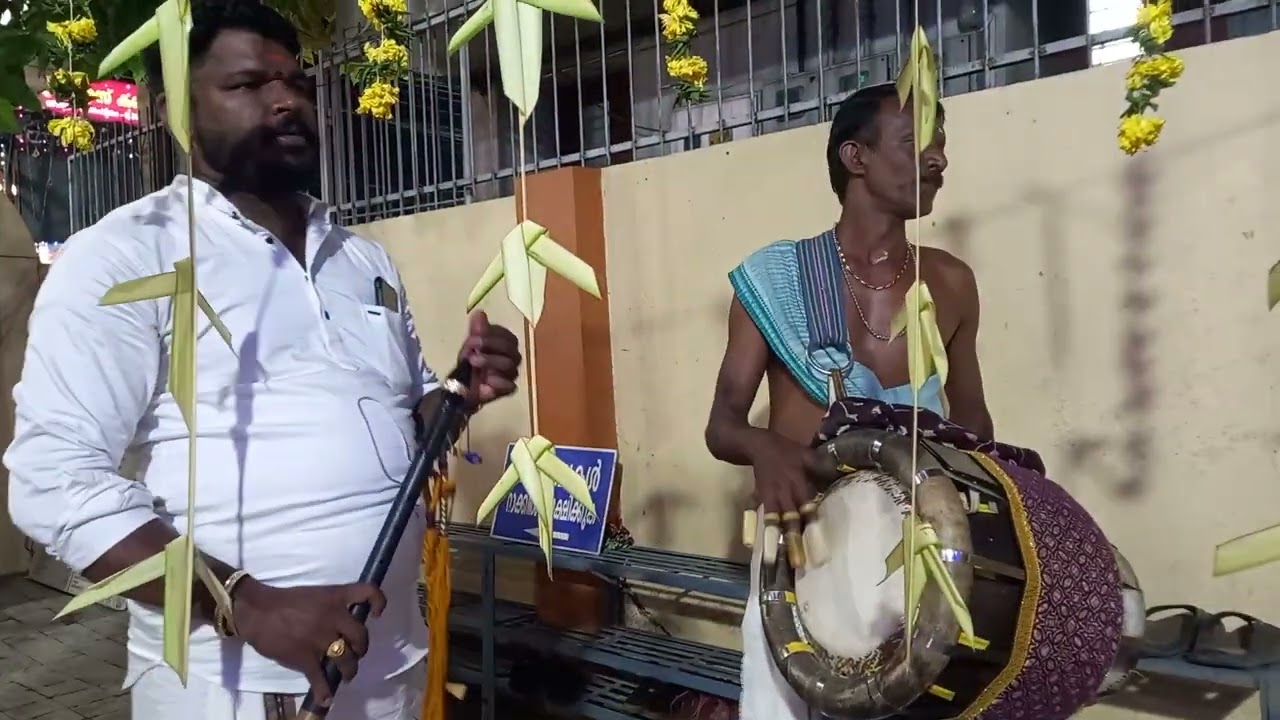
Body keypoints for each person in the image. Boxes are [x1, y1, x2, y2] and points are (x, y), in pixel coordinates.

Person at [3, 2, 522, 719]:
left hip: (391, 663)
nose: (284, 100)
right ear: (171, 110)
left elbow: (403, 420)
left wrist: (459, 393)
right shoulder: (125, 256)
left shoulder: (361, 259)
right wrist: (245, 604)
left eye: (294, 81)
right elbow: (54, 482)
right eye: (247, 84)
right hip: (236, 685)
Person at [704, 84, 993, 719]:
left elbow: (974, 425)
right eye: (917, 142)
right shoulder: (774, 275)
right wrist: (765, 446)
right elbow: (723, 424)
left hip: (919, 563)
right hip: (805, 558)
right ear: (855, 157)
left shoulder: (951, 282)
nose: (938, 158)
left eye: (941, 142)